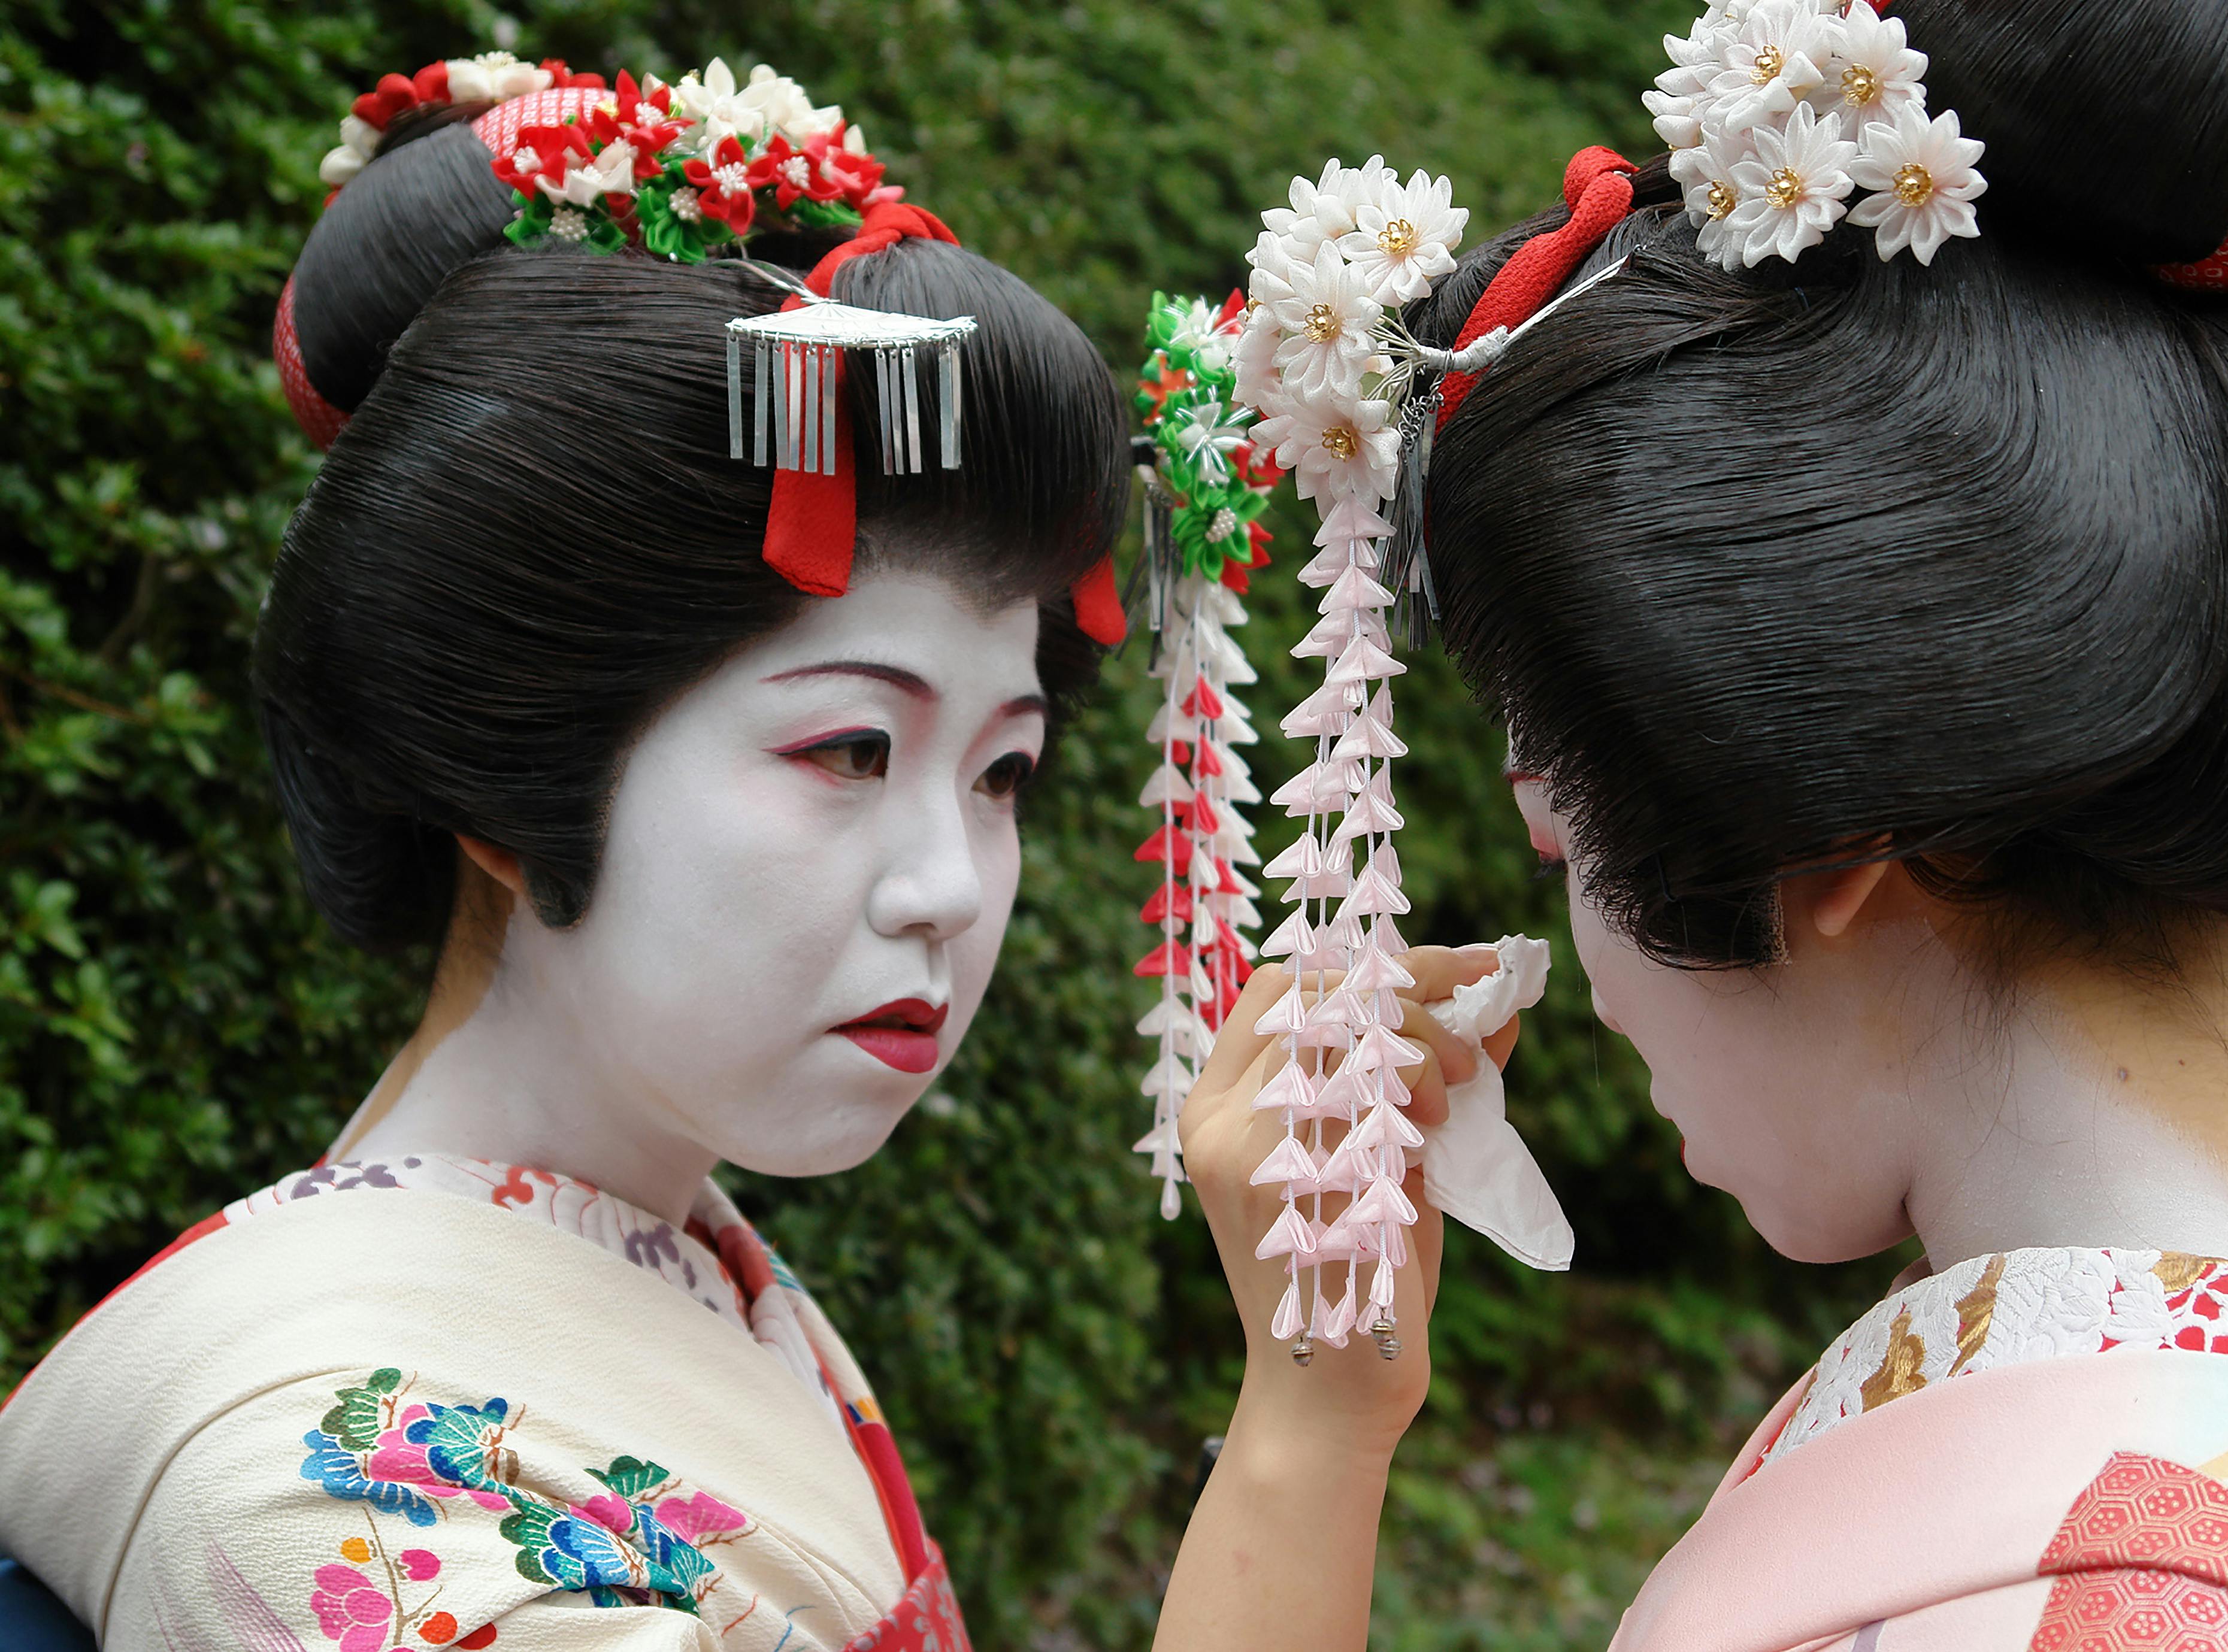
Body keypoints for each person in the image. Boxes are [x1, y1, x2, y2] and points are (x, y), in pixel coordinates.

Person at [0, 48, 1491, 1652]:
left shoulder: (672, 1254)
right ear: (514, 770)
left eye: (1000, 773)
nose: (948, 890)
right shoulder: (323, 1489)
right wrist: (1295, 1442)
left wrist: (1317, 1415)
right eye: (849, 748)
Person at [1159, 0, 2228, 1645]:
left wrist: (1296, 1455)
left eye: (1562, 846)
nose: (1575, 963)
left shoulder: (2115, 1601)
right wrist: (1316, 1431)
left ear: (1829, 826)